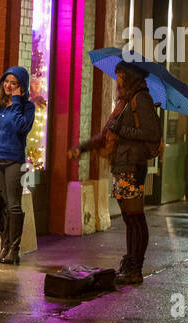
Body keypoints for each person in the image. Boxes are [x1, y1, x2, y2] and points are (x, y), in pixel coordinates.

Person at [68, 62, 161, 285]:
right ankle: (130, 265)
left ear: (128, 78)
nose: (116, 80)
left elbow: (151, 132)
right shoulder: (125, 103)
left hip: (133, 165)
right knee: (130, 220)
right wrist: (82, 148)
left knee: (136, 218)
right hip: (121, 165)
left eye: (119, 75)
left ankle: (135, 268)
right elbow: (106, 134)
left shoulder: (141, 99)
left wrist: (123, 130)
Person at [0, 66, 36, 265]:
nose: (9, 86)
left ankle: (14, 249)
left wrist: (18, 102)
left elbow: (21, 127)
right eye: (7, 81)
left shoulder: (27, 107)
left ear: (21, 86)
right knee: (1, 204)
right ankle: (4, 246)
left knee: (14, 204)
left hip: (14, 159)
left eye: (14, 83)